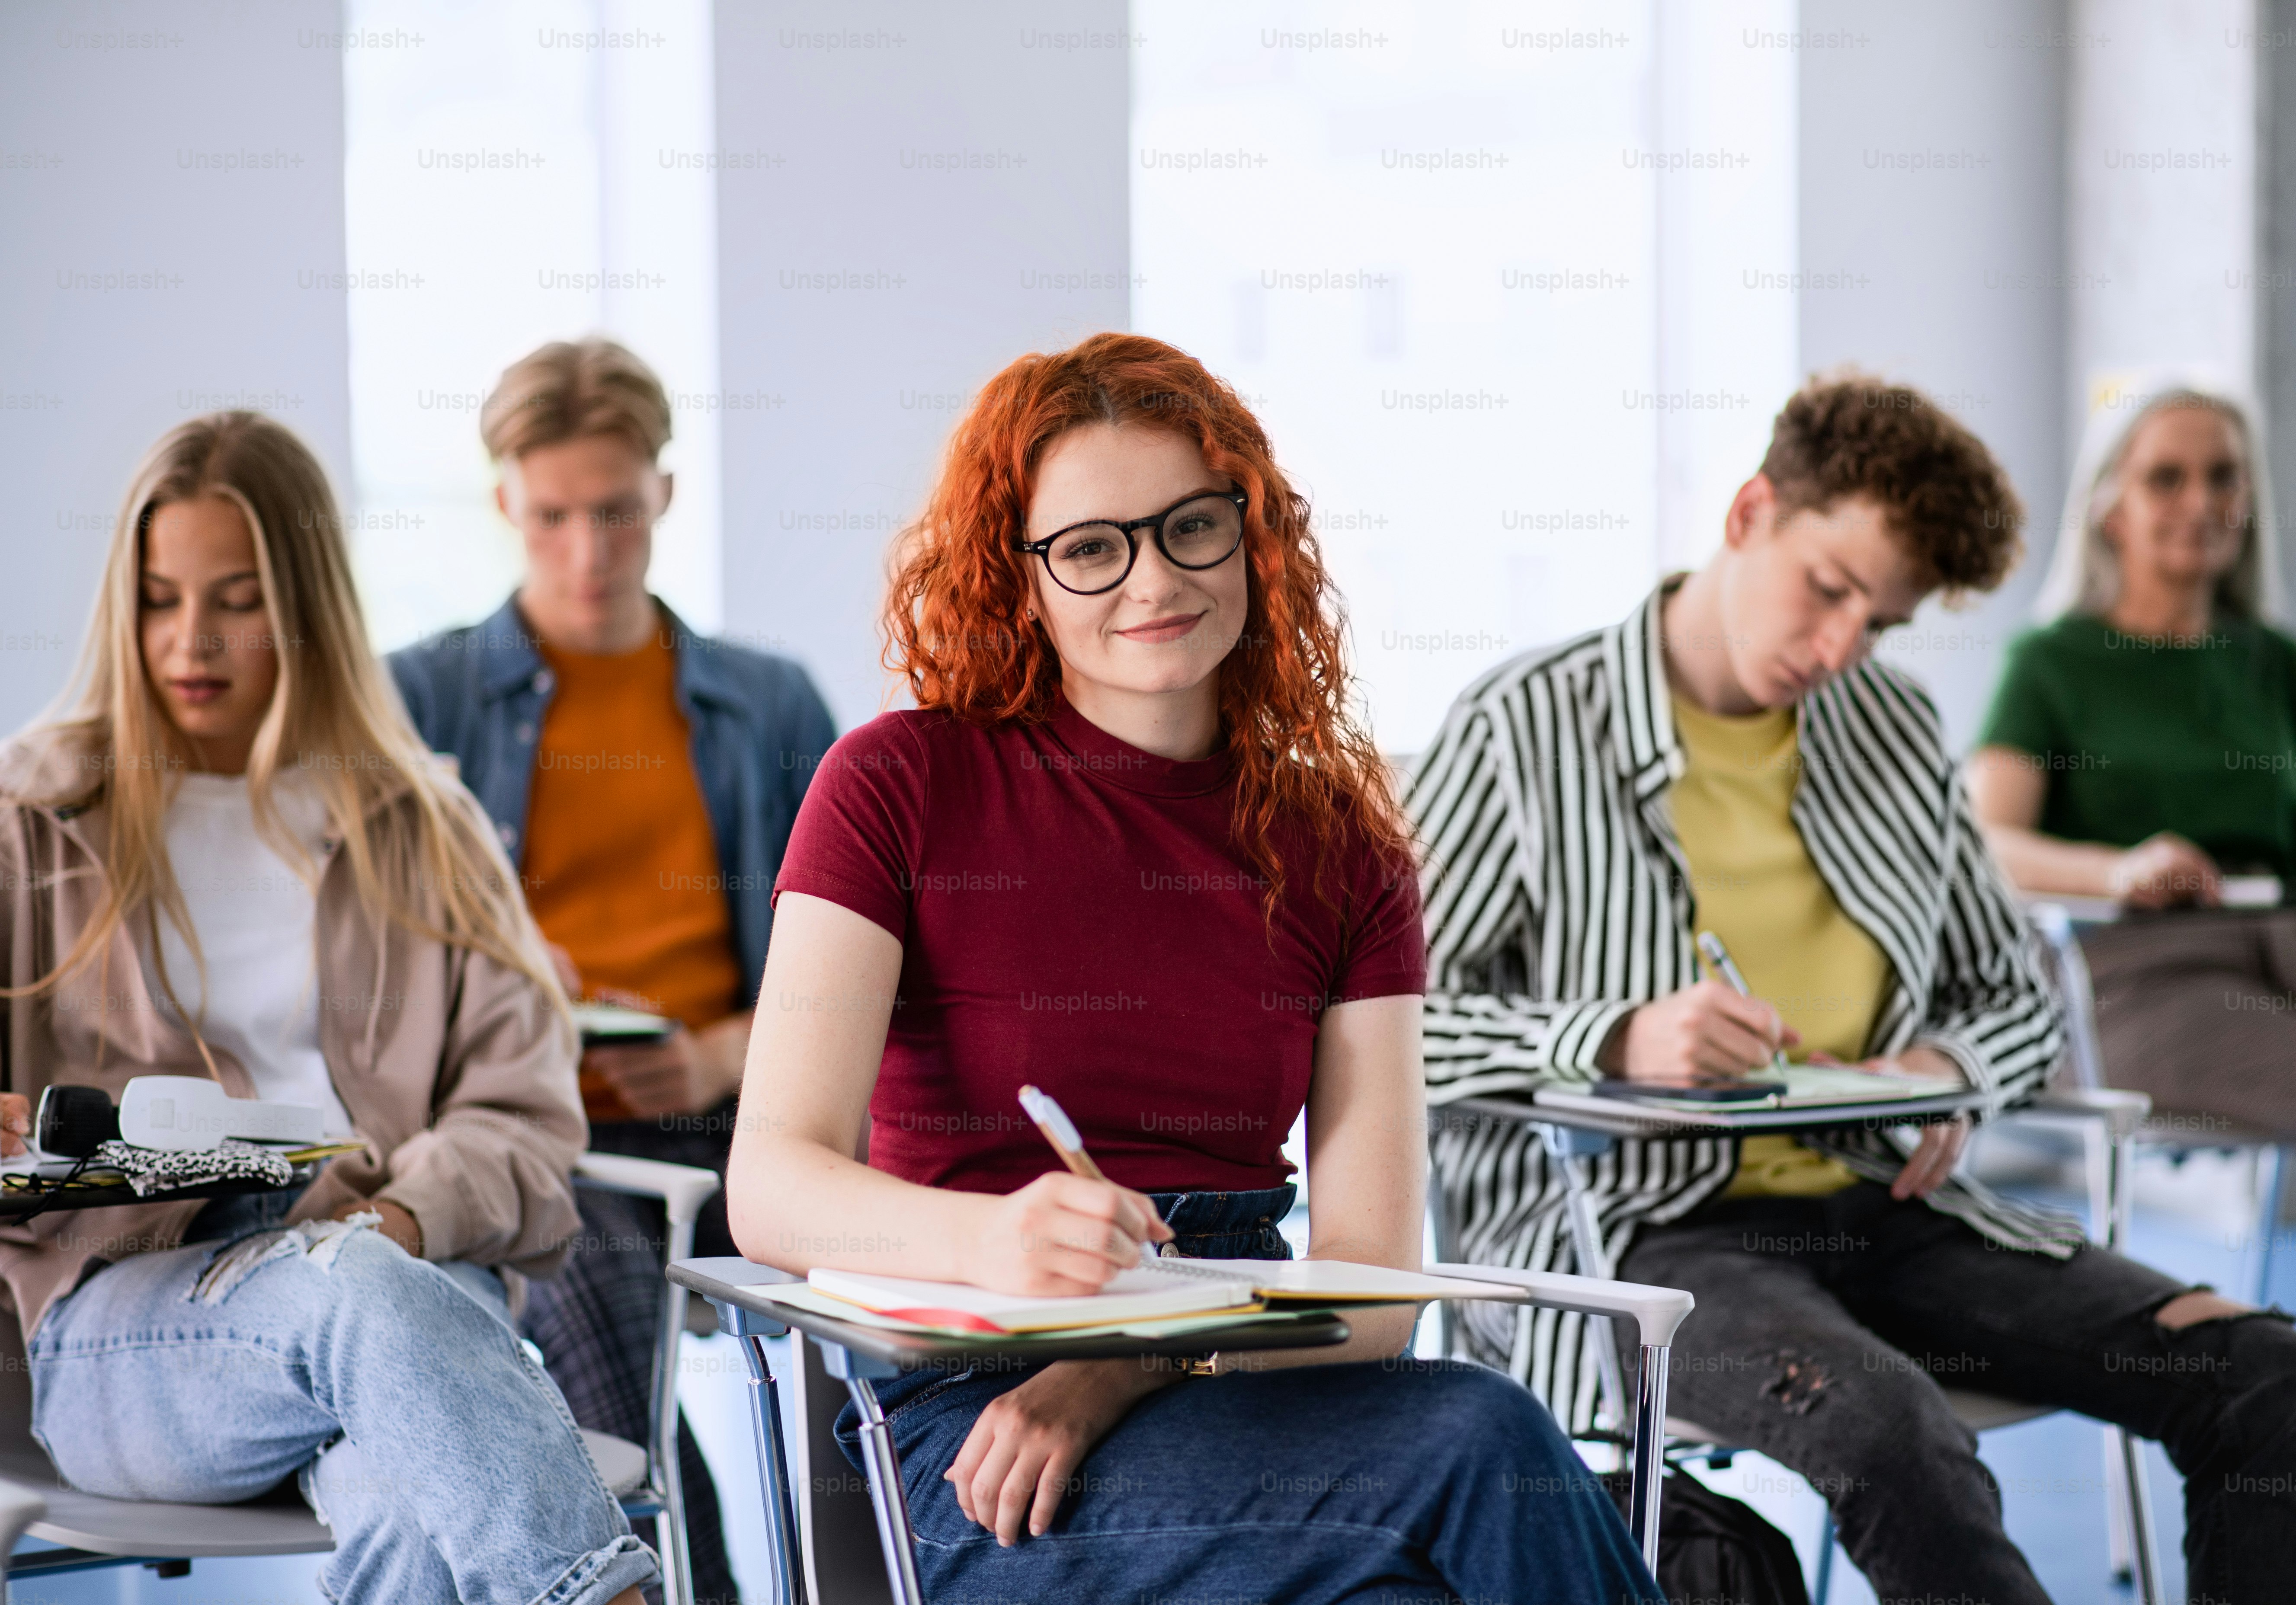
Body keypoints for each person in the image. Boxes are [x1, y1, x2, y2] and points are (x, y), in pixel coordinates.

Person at [725, 333, 1665, 1604]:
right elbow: (771, 1183)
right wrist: (998, 1244)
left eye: (1191, 527)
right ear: (1024, 578)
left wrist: (1122, 1369)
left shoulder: (1346, 845)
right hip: (977, 1441)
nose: (1152, 579)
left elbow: (1377, 1288)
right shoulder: (896, 784)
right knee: (1487, 1442)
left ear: (1253, 533)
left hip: (1240, 1358)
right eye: (1093, 547)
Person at [1409, 374, 2296, 1605]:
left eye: (1884, 622)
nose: (1842, 647)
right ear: (1750, 514)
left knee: (2267, 1372)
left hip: (1886, 1206)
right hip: (1645, 1242)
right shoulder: (1520, 731)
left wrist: (1945, 1069)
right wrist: (1618, 1034)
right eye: (1829, 589)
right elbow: (1382, 1030)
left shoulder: (1891, 732)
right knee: (1889, 1427)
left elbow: (2016, 997)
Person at [0, 412, 656, 1605]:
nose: (190, 641)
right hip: (133, 1340)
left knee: (416, 1496)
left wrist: (399, 1223)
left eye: (239, 600)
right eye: (158, 599)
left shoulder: (425, 825)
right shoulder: (31, 821)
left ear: (304, 607)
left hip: (405, 1278)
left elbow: (528, 1124)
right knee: (362, 1304)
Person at [389, 336, 837, 1604]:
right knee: (573, 1243)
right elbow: (362, 969)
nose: (589, 552)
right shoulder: (420, 702)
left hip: (733, 1115)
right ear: (504, 507)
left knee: (877, 1269)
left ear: (665, 497)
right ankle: (690, 1588)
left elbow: (867, 969)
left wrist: (723, 1049)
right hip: (533, 1126)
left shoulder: (771, 705)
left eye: (618, 512)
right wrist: (517, 1009)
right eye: (553, 517)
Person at [1969, 383, 2296, 1200]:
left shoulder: (2271, 661)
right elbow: (1987, 846)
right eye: (2166, 478)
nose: (2201, 501)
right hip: (2143, 982)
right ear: (2110, 507)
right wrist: (2117, 872)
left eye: (2224, 477)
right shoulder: (2050, 663)